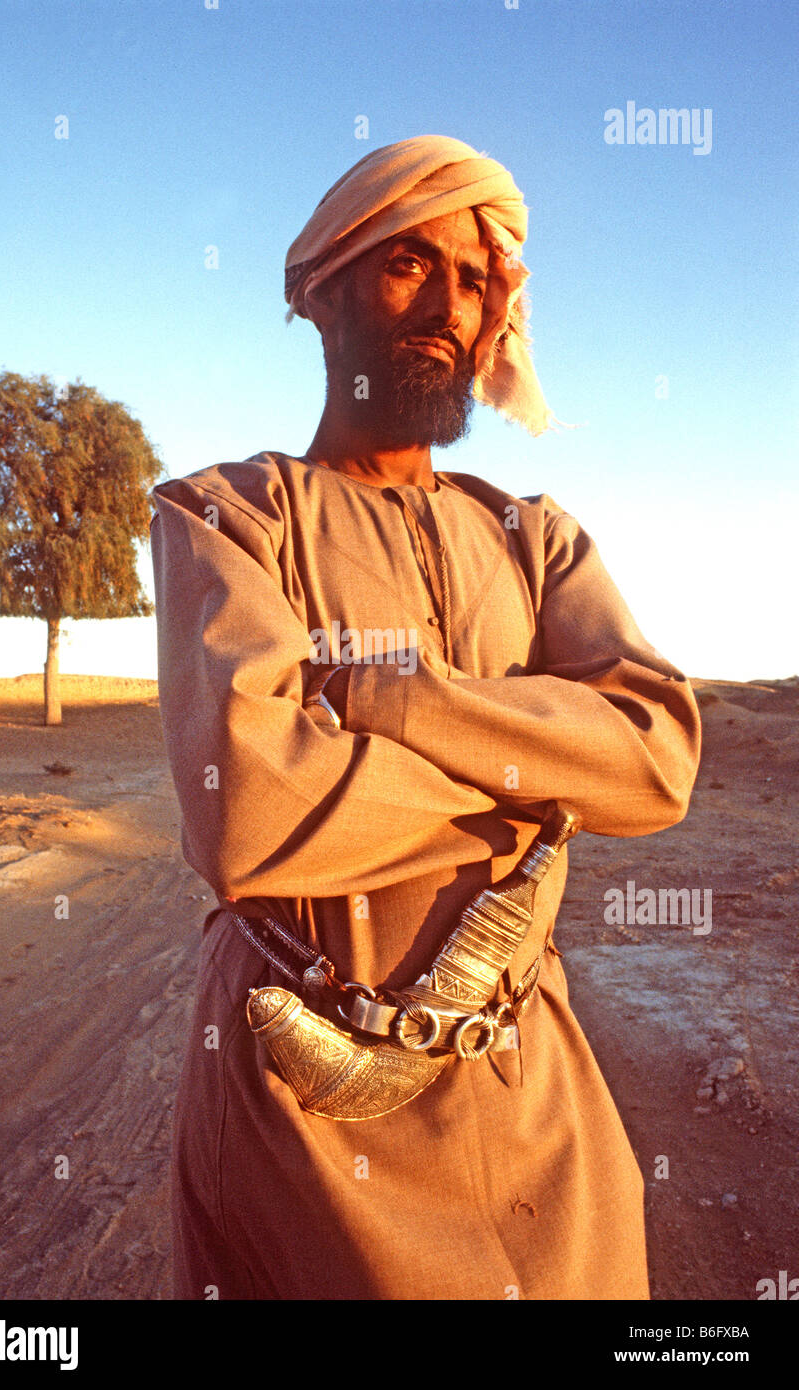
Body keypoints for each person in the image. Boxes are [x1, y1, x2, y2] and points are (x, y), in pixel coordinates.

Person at [150, 135, 701, 1300]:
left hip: (531, 1067)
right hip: (305, 1092)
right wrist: (545, 775)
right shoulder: (224, 518)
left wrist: (381, 701)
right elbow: (249, 810)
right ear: (322, 291)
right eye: (407, 265)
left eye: (471, 280)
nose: (447, 306)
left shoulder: (533, 536)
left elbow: (655, 757)